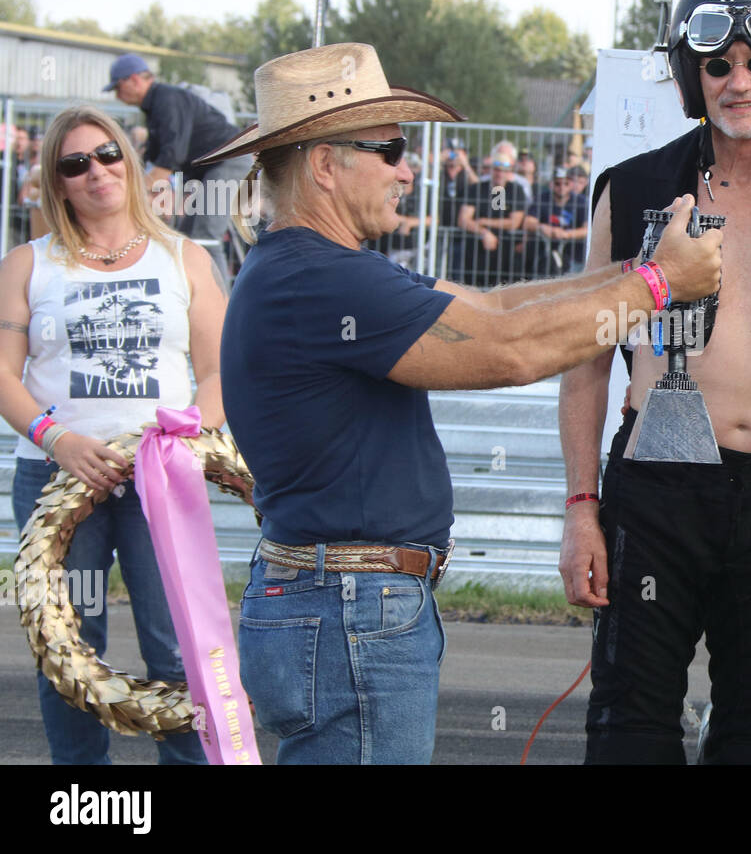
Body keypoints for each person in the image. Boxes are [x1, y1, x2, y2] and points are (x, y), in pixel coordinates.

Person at [199, 42, 720, 765]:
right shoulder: (324, 279)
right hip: (351, 610)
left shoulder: (310, 268)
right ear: (324, 163)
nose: (408, 167)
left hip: (338, 601)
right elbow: (509, 350)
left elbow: (489, 305)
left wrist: (633, 271)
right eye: (389, 148)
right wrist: (659, 287)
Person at [558, 0, 751, 764]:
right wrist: (582, 509)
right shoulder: (632, 190)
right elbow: (586, 364)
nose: (739, 83)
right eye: (718, 66)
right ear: (693, 77)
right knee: (628, 727)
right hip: (655, 488)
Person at [0, 105, 227, 764]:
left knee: (178, 644)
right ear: (57, 183)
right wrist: (56, 439)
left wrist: (187, 438)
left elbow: (218, 373)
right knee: (69, 650)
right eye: (75, 164)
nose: (96, 170)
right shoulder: (25, 263)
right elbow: (4, 376)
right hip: (57, 479)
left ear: (129, 162)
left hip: (161, 480)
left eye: (108, 154)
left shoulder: (183, 257)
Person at [105, 53, 247, 269]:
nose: (117, 95)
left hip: (228, 162)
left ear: (134, 79)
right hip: (210, 167)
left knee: (205, 238)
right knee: (189, 237)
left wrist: (134, 192)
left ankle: (221, 301)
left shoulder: (167, 99)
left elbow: (171, 156)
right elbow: (153, 156)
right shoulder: (157, 104)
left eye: (118, 87)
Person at [456, 156, 528, 285]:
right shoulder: (476, 189)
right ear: (490, 170)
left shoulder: (516, 190)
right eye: (496, 169)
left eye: (504, 170)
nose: (500, 173)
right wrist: (484, 232)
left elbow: (514, 223)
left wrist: (484, 222)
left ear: (510, 172)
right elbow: (463, 220)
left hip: (506, 253)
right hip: (476, 252)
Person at [523, 167, 587, 276]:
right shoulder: (542, 198)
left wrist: (567, 234)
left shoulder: (581, 201)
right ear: (551, 184)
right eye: (558, 183)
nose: (561, 187)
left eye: (566, 183)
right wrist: (542, 227)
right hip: (544, 251)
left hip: (571, 252)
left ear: (571, 184)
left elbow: (587, 229)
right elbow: (528, 222)